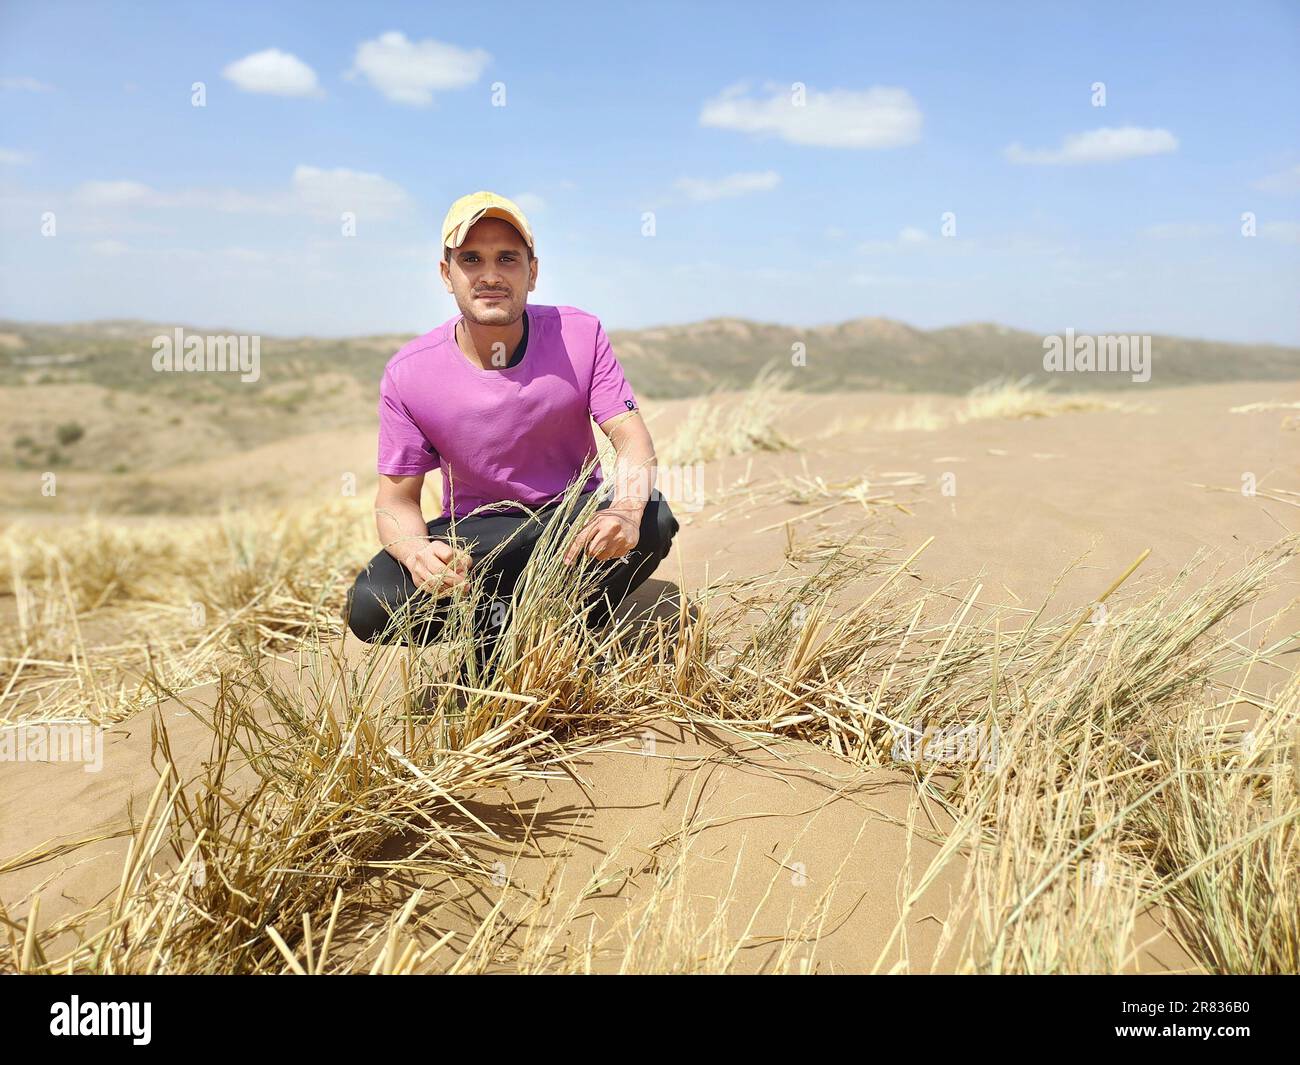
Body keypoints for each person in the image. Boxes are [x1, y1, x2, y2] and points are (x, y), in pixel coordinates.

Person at [343, 191, 679, 673]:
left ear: (533, 271)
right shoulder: (409, 373)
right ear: (446, 275)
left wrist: (624, 512)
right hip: (482, 535)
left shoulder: (580, 334)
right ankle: (505, 626)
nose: (491, 275)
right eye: (471, 259)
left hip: (572, 518)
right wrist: (417, 553)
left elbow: (632, 440)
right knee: (374, 604)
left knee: (652, 518)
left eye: (508, 259)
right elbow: (396, 502)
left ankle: (557, 623)